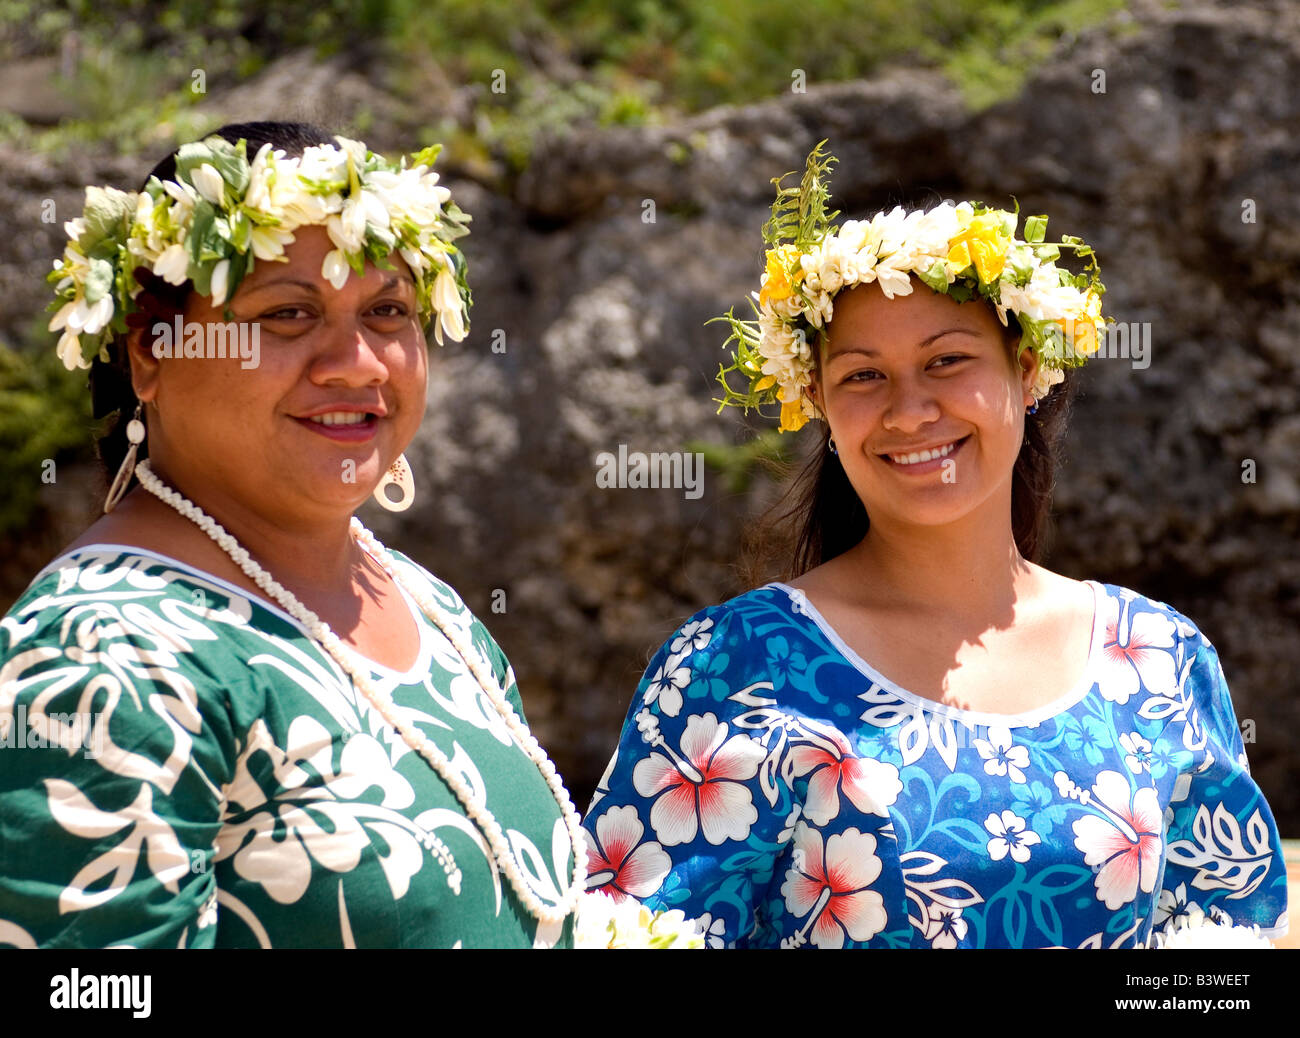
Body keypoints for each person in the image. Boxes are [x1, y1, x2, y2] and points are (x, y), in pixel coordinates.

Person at [582, 142, 1289, 949]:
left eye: (947, 361)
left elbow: (1224, 948)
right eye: (863, 375)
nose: (911, 411)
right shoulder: (734, 665)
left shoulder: (1159, 659)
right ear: (817, 400)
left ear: (1026, 372)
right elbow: (628, 933)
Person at [0, 121, 585, 948]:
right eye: (286, 314)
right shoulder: (102, 652)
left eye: (387, 309)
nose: (357, 363)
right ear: (149, 355)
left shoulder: (436, 615)